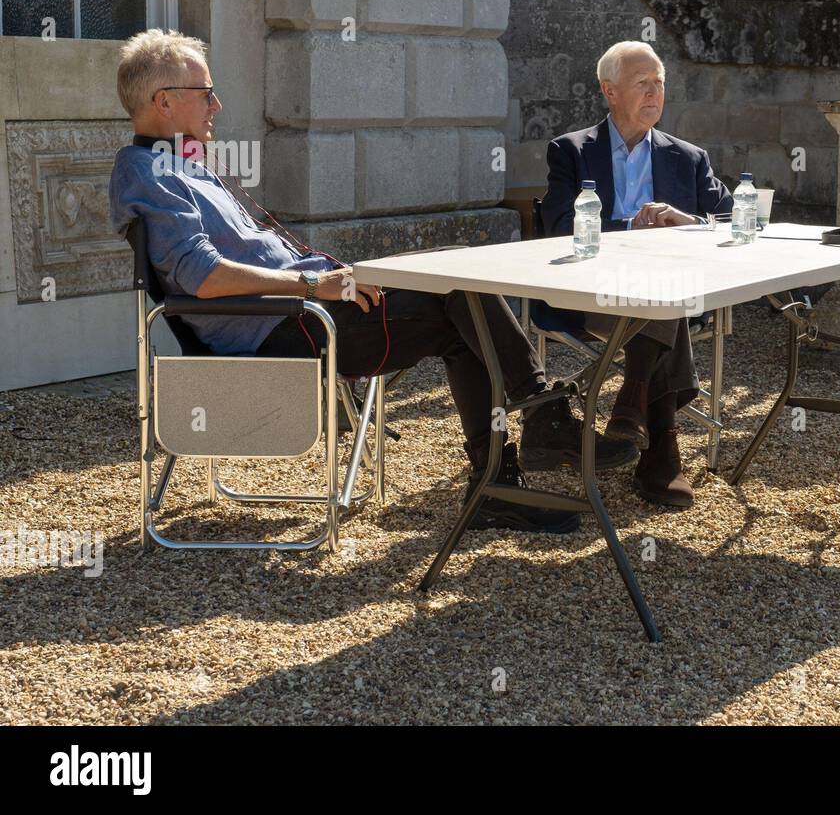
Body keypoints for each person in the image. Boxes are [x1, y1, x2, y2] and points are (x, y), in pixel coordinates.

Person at [109, 29, 636, 534]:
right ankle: (531, 434)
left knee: (456, 268)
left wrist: (329, 280)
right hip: (282, 329)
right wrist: (315, 288)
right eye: (205, 93)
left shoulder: (185, 164)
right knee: (462, 297)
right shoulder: (150, 172)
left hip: (301, 309)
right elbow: (203, 278)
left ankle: (508, 466)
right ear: (164, 102)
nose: (216, 105)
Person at [540, 41, 733, 508]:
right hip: (590, 291)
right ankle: (661, 443)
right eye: (641, 84)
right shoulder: (571, 151)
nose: (654, 94)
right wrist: (629, 226)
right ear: (609, 91)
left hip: (667, 289)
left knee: (665, 292)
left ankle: (635, 401)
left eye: (659, 84)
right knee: (668, 300)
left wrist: (686, 222)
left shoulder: (688, 157)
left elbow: (741, 222)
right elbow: (558, 227)